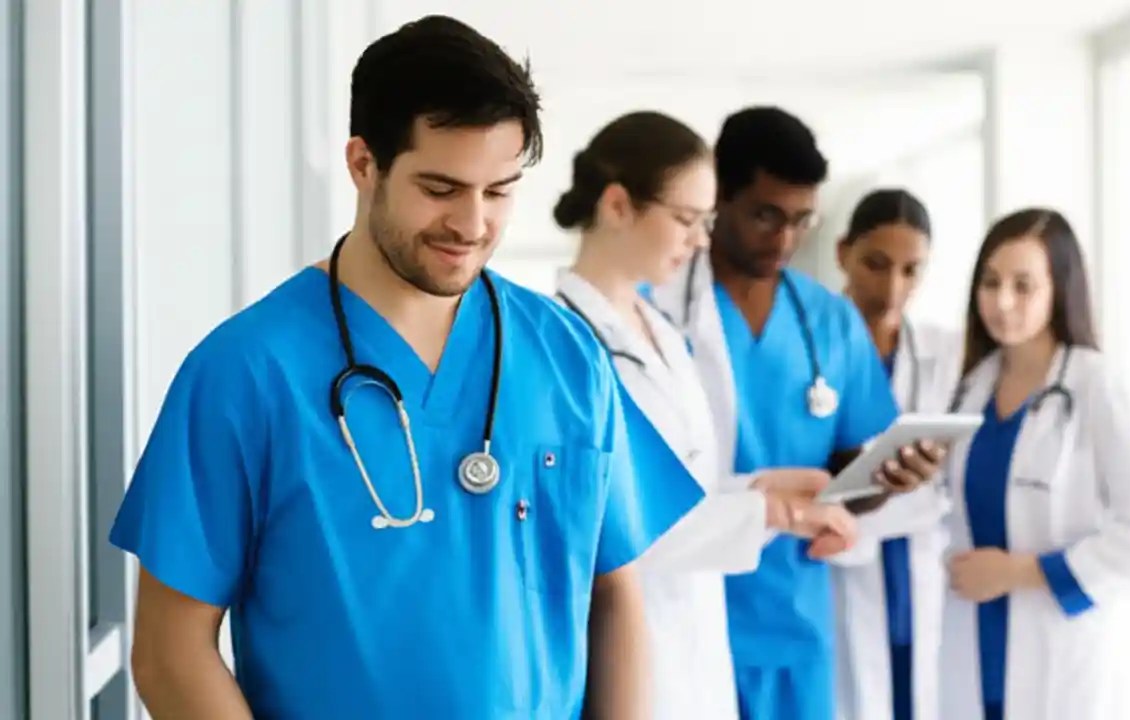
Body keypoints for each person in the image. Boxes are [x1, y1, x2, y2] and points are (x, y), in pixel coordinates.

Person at [109, 16, 705, 720]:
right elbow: (168, 649)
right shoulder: (246, 372)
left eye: (499, 190)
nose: (472, 223)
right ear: (364, 164)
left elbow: (616, 593)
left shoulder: (567, 355)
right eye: (440, 188)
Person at [551, 111, 863, 719]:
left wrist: (759, 488)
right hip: (627, 652)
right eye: (687, 221)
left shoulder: (659, 329)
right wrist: (773, 511)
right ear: (618, 206)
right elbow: (621, 524)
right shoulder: (563, 343)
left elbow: (680, 487)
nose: (700, 241)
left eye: (706, 222)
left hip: (694, 639)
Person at [650, 107, 947, 720]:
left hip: (797, 617)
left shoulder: (831, 322)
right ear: (720, 197)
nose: (784, 238)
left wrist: (889, 476)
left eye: (800, 220)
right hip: (686, 604)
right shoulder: (656, 311)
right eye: (765, 215)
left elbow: (849, 478)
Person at [938, 208, 1130, 720]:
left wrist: (1018, 573)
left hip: (1065, 659)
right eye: (991, 282)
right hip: (977, 647)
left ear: (1058, 290)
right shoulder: (970, 388)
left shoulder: (1097, 385)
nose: (1002, 302)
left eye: (1024, 285)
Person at [828, 189, 963, 720]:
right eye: (876, 264)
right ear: (843, 253)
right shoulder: (814, 347)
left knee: (916, 696)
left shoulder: (946, 352)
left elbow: (952, 480)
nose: (892, 289)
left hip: (919, 571)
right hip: (839, 571)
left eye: (912, 270)